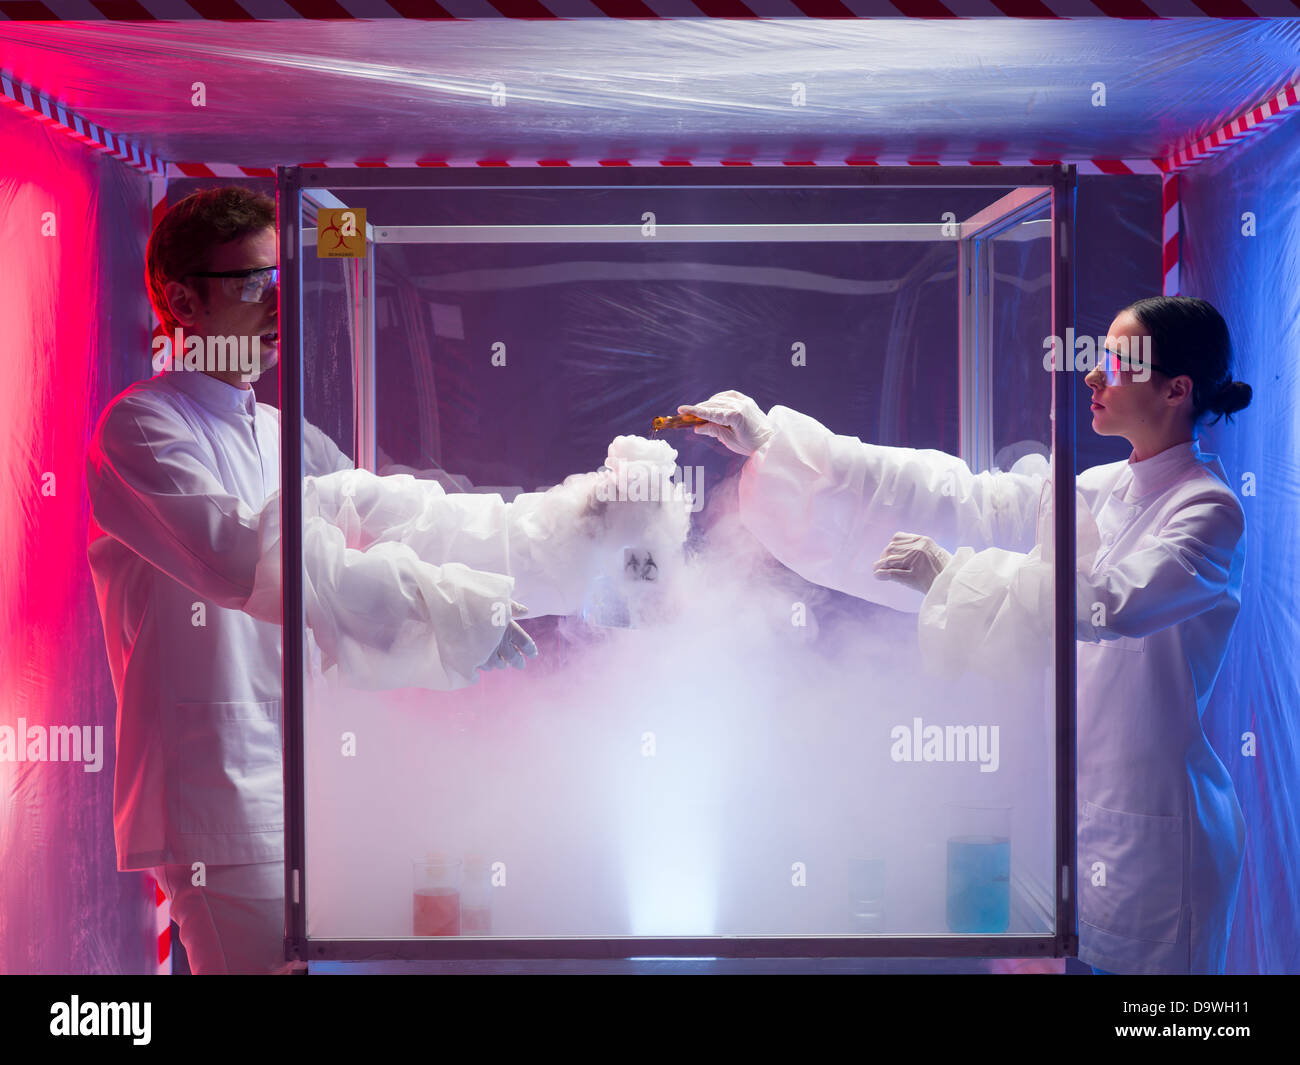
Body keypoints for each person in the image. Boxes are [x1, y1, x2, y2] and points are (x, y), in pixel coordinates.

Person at [86, 186, 674, 973]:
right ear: (183, 298)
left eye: (282, 281)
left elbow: (410, 516)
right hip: (220, 801)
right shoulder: (140, 430)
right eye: (254, 282)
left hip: (308, 788)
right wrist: (451, 611)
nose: (276, 309)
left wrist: (580, 526)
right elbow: (257, 563)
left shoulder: (275, 431)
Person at [681, 296, 1252, 976]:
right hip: (1077, 828)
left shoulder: (1209, 511)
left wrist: (953, 575)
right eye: (1096, 359)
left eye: (1116, 364)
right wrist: (780, 449)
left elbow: (1108, 603)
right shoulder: (1097, 488)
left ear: (1177, 388)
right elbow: (960, 498)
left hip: (1160, 846)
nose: (1093, 378)